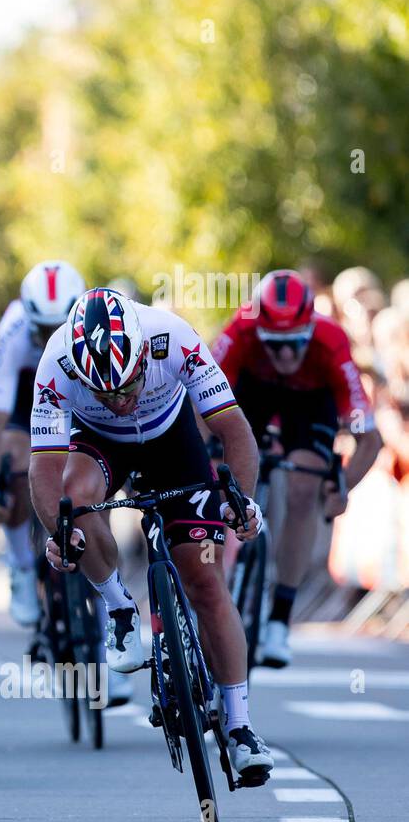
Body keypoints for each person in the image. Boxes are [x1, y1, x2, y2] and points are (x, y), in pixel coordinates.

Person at [28, 287, 273, 779]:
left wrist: (240, 501)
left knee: (205, 581)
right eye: (106, 393)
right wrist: (58, 531)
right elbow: (44, 470)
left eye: (129, 384)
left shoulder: (172, 336)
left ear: (144, 354)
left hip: (172, 440)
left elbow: (234, 431)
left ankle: (241, 725)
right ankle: (119, 607)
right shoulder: (56, 363)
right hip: (99, 445)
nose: (121, 401)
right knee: (73, 504)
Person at [211, 269, 382, 667]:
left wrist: (341, 488)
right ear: (259, 330)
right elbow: (200, 401)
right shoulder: (240, 328)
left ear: (309, 329)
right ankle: (215, 580)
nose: (286, 355)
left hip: (310, 401)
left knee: (305, 487)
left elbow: (369, 438)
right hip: (251, 392)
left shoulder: (331, 340)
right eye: (275, 345)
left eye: (294, 345)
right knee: (223, 469)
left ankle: (279, 619)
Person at [0, 261, 86, 628]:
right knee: (13, 462)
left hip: (79, 398)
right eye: (43, 329)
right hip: (28, 402)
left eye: (59, 327)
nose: (52, 335)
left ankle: (108, 623)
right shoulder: (14, 330)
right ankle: (22, 567)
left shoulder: (94, 321)